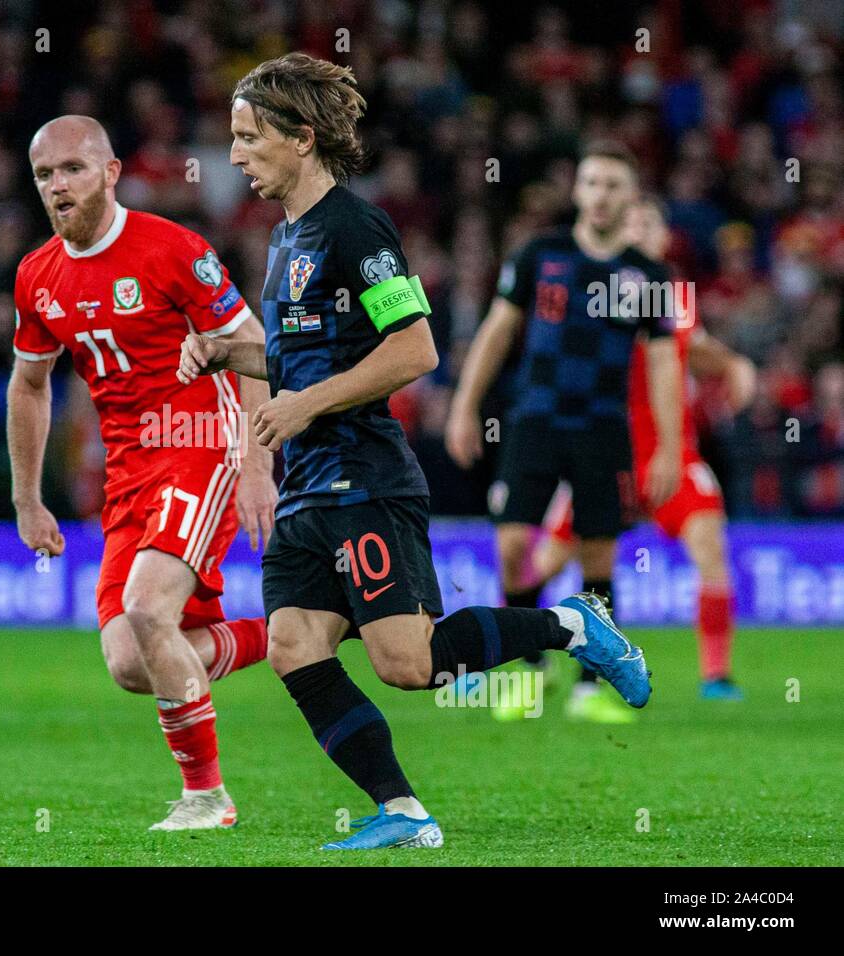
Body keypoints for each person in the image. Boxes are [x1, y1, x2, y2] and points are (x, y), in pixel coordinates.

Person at [179, 53, 650, 851]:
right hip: (307, 487)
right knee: (294, 645)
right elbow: (304, 359)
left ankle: (571, 625)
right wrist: (230, 354)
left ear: (300, 138)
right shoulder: (286, 236)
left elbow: (415, 349)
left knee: (407, 662)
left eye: (247, 137)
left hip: (364, 477)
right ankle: (403, 812)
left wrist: (305, 406)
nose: (233, 156)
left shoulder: (358, 229)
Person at [7, 115, 277, 831]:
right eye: (43, 175)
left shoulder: (172, 249)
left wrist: (255, 462)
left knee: (148, 608)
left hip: (202, 444)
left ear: (111, 171)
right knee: (131, 659)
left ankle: (207, 798)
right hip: (129, 471)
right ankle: (292, 635)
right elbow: (29, 385)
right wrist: (27, 498)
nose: (57, 186)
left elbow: (252, 345)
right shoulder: (37, 276)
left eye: (71, 169)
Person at [446, 139, 683, 721]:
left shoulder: (647, 276)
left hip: (604, 429)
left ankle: (589, 686)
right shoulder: (539, 254)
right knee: (511, 548)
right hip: (535, 421)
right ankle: (532, 668)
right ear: (577, 190)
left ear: (630, 198)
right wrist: (464, 405)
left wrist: (671, 446)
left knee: (598, 555)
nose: (601, 194)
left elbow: (662, 365)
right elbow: (497, 332)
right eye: (593, 182)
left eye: (613, 185)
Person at [512, 198, 756, 714]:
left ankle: (716, 675)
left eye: (651, 223)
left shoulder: (675, 297)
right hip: (607, 455)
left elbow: (698, 349)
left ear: (666, 237)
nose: (641, 230)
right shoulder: (597, 291)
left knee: (711, 546)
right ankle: (530, 661)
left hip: (673, 457)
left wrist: (735, 365)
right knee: (543, 563)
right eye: (633, 223)